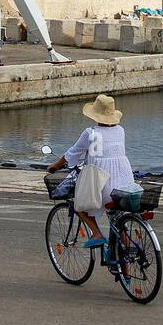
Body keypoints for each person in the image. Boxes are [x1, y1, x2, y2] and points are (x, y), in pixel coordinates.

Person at [46, 94, 136, 247]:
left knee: (79, 205)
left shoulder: (91, 133)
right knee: (119, 223)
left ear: (95, 115)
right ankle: (126, 268)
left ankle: (96, 233)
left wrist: (54, 166)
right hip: (125, 183)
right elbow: (106, 152)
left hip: (104, 185)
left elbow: (73, 153)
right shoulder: (121, 130)